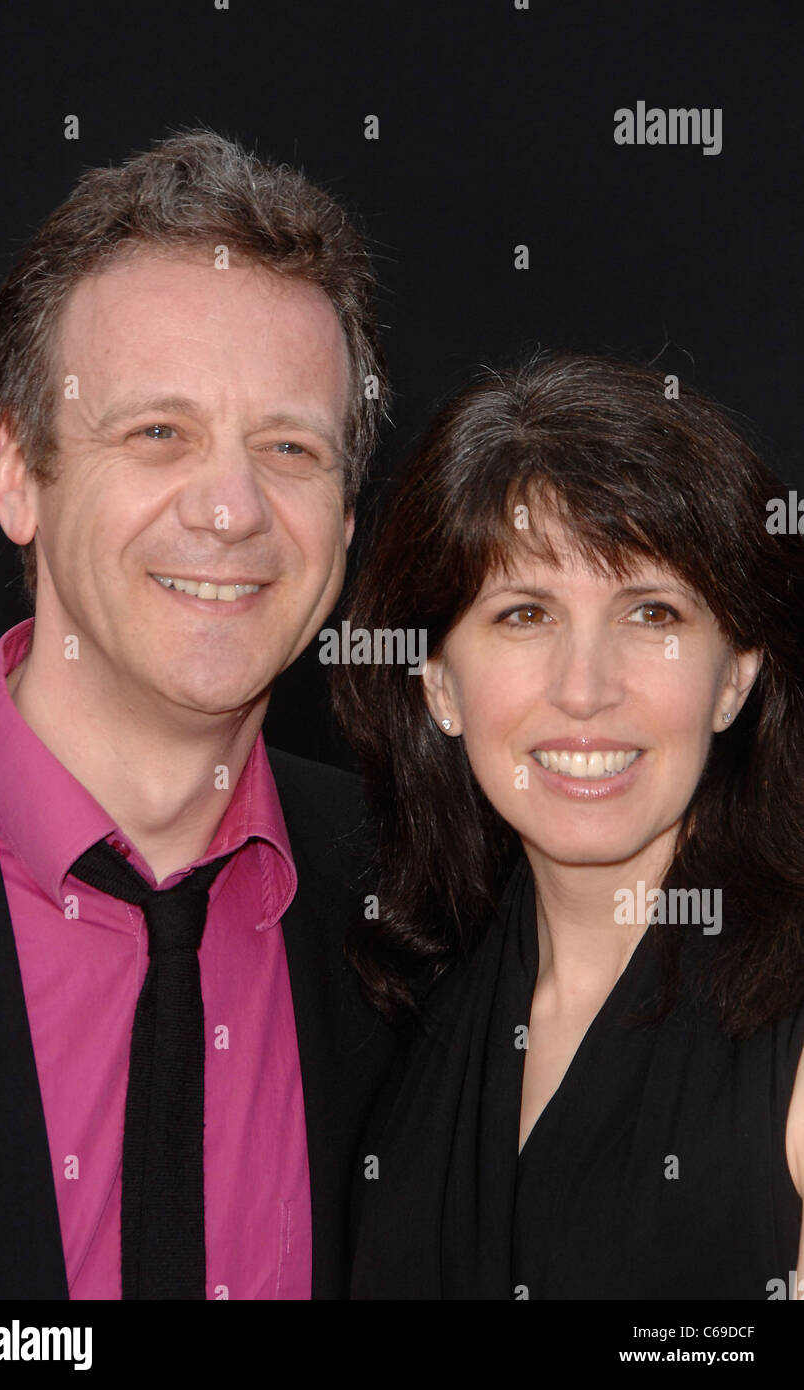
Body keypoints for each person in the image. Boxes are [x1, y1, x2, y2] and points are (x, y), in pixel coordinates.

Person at [0, 128, 397, 1300]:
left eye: (289, 448)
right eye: (159, 433)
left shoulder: (422, 901)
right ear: (15, 472)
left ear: (347, 521)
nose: (233, 508)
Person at [335, 352, 804, 1299]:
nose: (585, 688)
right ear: (438, 685)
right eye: (523, 614)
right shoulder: (398, 995)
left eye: (650, 611)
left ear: (734, 679)